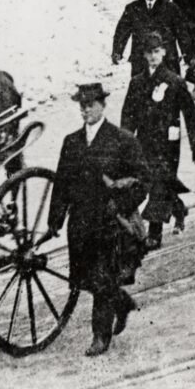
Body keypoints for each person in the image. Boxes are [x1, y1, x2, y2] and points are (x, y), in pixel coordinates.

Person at [48, 82, 150, 356]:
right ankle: (123, 302)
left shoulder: (122, 139)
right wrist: (54, 220)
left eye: (91, 104)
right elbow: (62, 184)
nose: (86, 110)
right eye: (82, 105)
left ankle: (99, 336)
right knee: (89, 280)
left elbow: (143, 182)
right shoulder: (71, 142)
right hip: (80, 223)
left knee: (103, 278)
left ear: (103, 105)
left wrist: (120, 204)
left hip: (109, 223)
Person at [120, 32, 195, 248]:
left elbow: (190, 114)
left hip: (168, 145)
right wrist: (125, 143)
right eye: (148, 52)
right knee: (153, 183)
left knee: (159, 184)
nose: (152, 56)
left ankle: (154, 234)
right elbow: (128, 116)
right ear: (143, 55)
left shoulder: (174, 81)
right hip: (144, 143)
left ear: (164, 52)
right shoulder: (137, 83)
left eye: (156, 51)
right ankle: (178, 208)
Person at [112, 0, 194, 78]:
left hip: (167, 62)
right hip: (141, 63)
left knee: (170, 92)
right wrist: (117, 51)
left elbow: (182, 33)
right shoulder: (132, 9)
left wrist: (188, 55)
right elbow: (121, 31)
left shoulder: (172, 9)